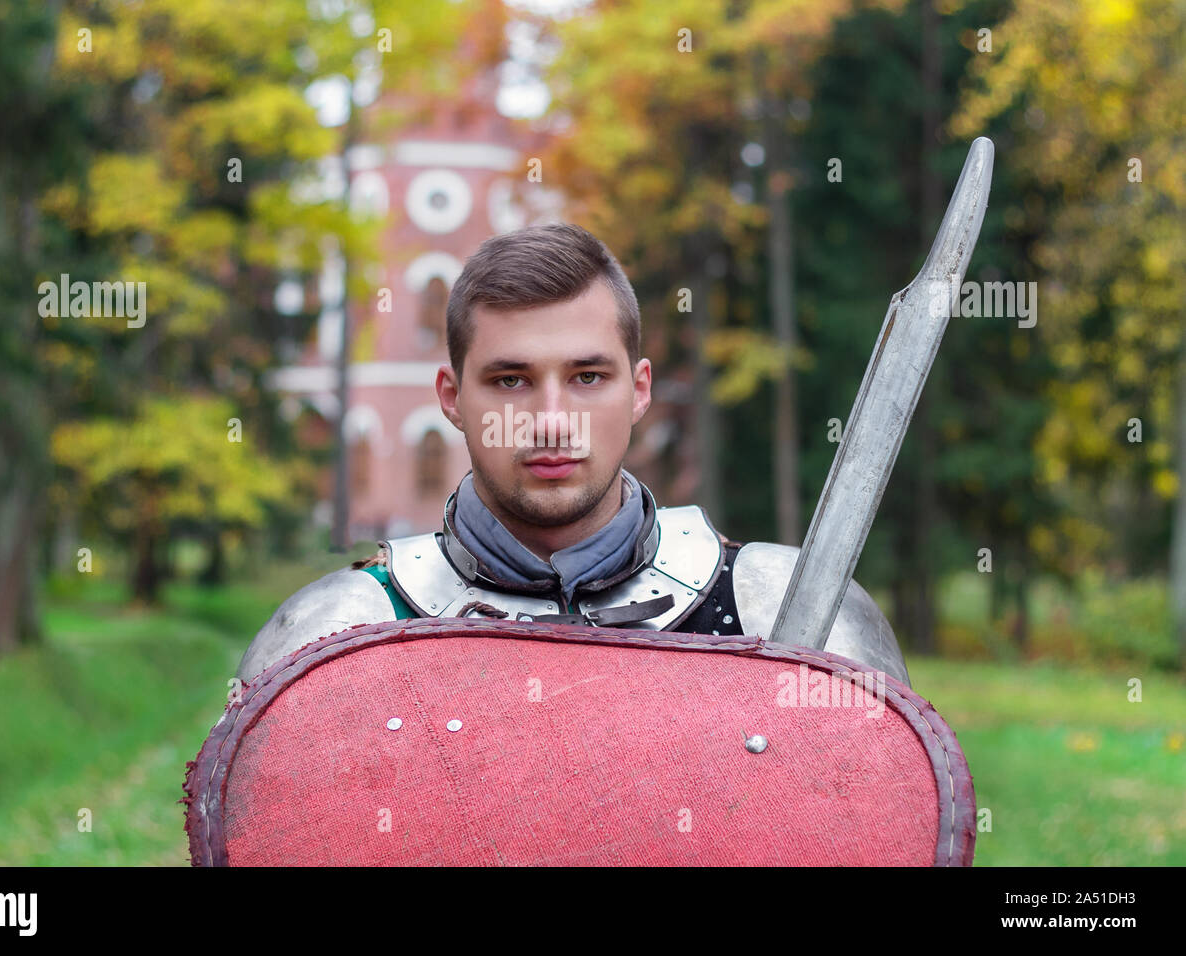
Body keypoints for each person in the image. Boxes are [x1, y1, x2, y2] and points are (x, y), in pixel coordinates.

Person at [236, 222, 908, 686]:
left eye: (588, 378)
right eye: (510, 380)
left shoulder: (771, 610)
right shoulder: (337, 636)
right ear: (451, 397)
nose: (552, 423)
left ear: (638, 390)